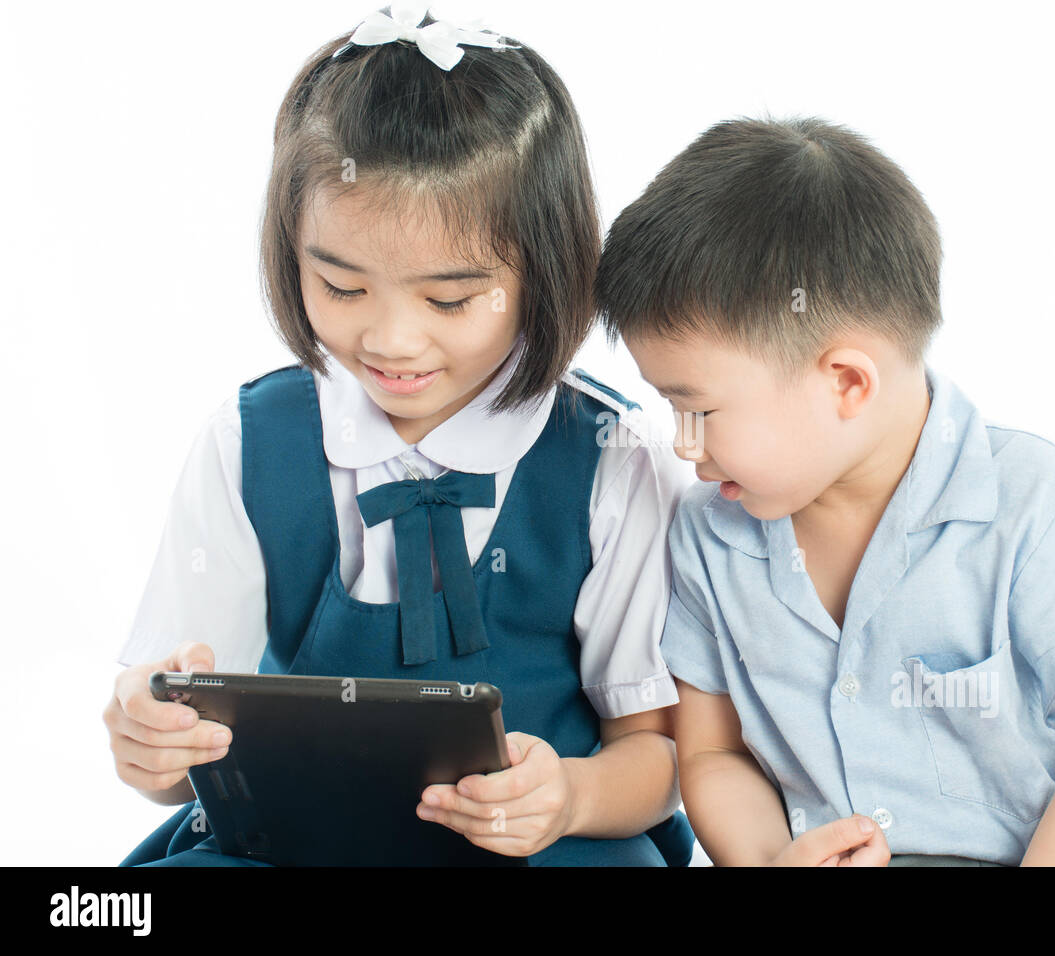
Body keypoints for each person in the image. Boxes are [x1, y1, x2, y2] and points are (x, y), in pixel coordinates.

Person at [593, 114, 1055, 866]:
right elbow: (713, 756)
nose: (682, 442)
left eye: (697, 408)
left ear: (846, 381)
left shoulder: (1039, 506)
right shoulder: (710, 536)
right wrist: (772, 859)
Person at [105, 4, 694, 867]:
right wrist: (146, 739)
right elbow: (177, 732)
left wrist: (568, 796)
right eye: (340, 287)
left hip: (540, 850)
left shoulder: (613, 459)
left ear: (547, 268)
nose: (392, 341)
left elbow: (660, 756)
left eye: (450, 300)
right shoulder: (250, 442)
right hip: (299, 842)